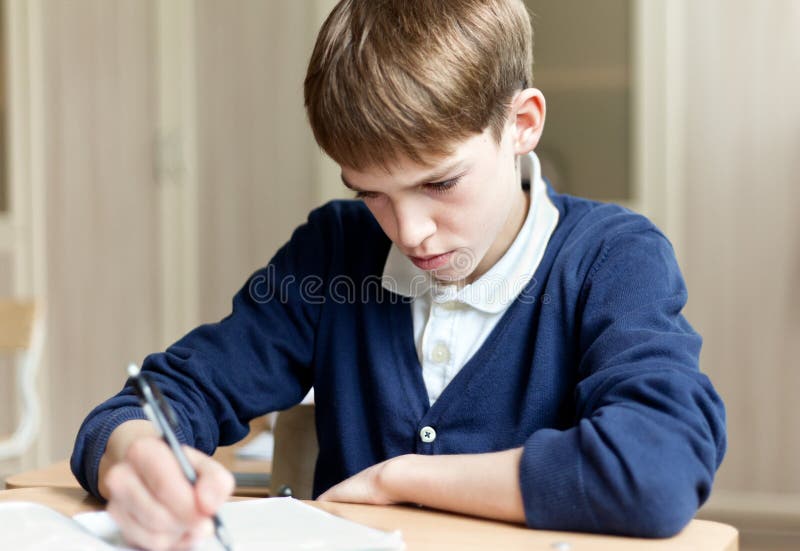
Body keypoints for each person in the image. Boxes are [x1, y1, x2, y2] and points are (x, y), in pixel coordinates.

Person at [71, 1, 726, 549]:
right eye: (371, 194)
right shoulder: (333, 252)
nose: (409, 232)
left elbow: (659, 466)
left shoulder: (613, 260)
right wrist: (142, 457)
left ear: (521, 124)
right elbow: (140, 408)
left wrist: (400, 478)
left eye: (439, 183)